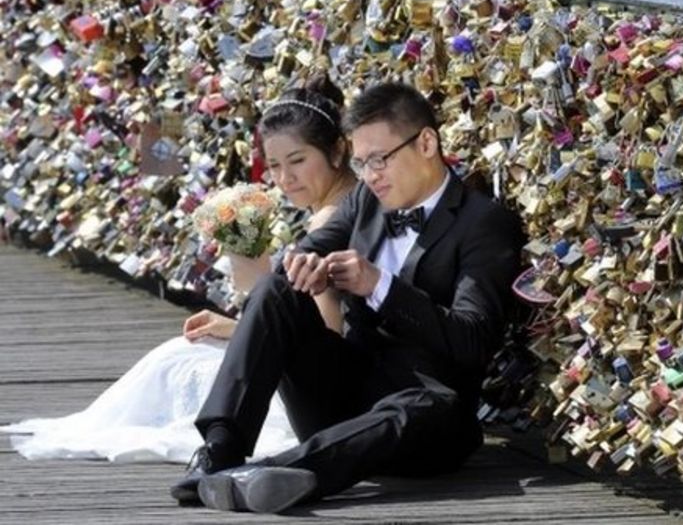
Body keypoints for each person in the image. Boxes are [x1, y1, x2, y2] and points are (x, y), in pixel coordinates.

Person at [171, 82, 525, 514]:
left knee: (427, 405)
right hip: (342, 395)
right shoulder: (365, 198)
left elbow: (473, 342)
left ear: (427, 142)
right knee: (277, 287)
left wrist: (380, 285)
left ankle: (272, 474)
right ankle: (220, 452)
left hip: (424, 418)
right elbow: (316, 243)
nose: (371, 175)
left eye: (380, 160)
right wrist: (302, 261)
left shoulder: (483, 223)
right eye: (361, 163)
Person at [0, 76, 357, 464]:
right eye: (274, 166)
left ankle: (221, 442)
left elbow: (327, 331)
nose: (285, 179)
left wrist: (240, 328)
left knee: (178, 360)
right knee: (183, 355)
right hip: (327, 363)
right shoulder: (346, 203)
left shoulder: (328, 222)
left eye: (298, 161)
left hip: (324, 382)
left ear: (337, 152)